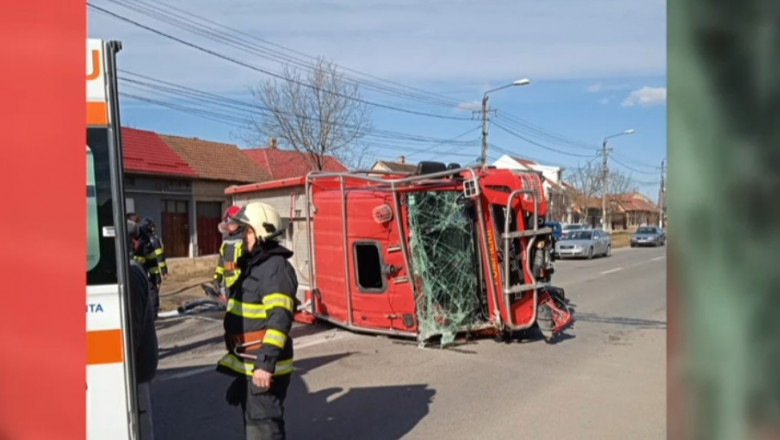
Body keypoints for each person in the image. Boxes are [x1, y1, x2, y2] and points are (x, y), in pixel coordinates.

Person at [216, 202, 297, 440]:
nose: (243, 236)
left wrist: (265, 364)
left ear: (262, 231)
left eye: (248, 231)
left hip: (262, 366)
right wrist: (242, 379)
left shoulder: (274, 268)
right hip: (251, 366)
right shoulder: (256, 265)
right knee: (256, 429)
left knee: (263, 432)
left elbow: (279, 321)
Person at [126, 220, 159, 440]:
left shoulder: (131, 272)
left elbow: (133, 330)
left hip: (136, 370)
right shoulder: (131, 269)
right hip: (136, 369)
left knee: (139, 427)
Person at [212, 205, 244, 301]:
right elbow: (221, 263)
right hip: (228, 287)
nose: (227, 226)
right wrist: (217, 278)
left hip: (243, 287)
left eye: (228, 222)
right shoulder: (226, 241)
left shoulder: (246, 240)